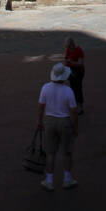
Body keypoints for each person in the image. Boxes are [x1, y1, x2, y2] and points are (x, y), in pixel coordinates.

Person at [37, 63, 79, 191]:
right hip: (65, 121)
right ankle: (67, 179)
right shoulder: (68, 91)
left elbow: (40, 107)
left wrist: (39, 121)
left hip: (49, 120)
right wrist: (75, 127)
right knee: (67, 152)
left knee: (50, 152)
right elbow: (73, 112)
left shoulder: (45, 87)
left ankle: (49, 180)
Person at [64, 35, 85, 113]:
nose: (66, 48)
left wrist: (71, 62)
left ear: (71, 44)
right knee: (72, 88)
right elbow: (66, 59)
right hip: (71, 71)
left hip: (78, 71)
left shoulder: (79, 50)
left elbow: (80, 63)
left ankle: (80, 107)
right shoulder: (68, 50)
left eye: (67, 46)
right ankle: (74, 105)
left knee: (78, 89)